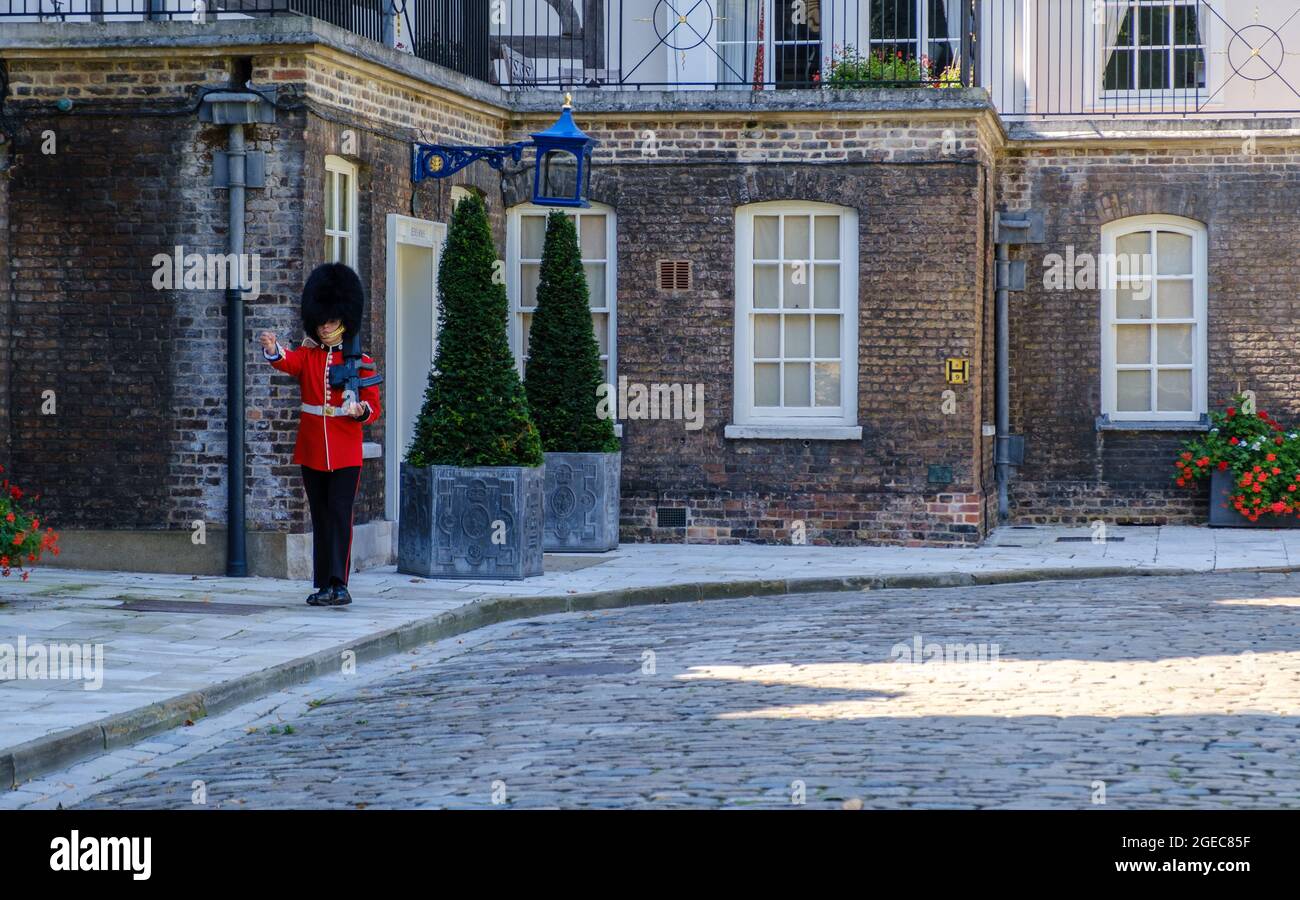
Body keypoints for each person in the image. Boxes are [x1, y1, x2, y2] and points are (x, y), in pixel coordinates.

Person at [258, 263, 381, 606]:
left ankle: (340, 583)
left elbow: (373, 406)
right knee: (321, 515)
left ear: (344, 320)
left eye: (332, 321)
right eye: (322, 322)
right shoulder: (310, 356)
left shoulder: (361, 360)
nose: (326, 327)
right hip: (313, 449)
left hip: (345, 450)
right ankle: (323, 584)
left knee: (341, 514)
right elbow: (289, 361)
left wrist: (360, 412)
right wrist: (272, 348)